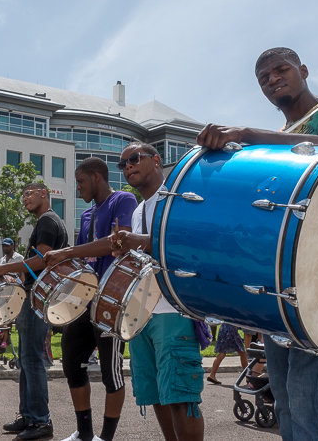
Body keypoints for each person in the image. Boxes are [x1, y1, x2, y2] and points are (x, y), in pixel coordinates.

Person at [193, 47, 318, 440]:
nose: (273, 79)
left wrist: (244, 134)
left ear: (303, 70)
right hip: (281, 291)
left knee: (312, 402)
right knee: (287, 401)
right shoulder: (272, 149)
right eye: (264, 78)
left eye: (281, 70)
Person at [109, 143, 206, 441]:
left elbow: (187, 244)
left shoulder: (178, 198)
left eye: (134, 159)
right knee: (156, 395)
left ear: (156, 160)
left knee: (180, 395)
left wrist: (137, 241)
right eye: (122, 164)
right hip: (142, 313)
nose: (127, 167)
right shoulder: (138, 210)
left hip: (172, 310)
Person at [41, 157, 135, 441]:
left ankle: (105, 438)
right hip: (85, 301)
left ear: (96, 177)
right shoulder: (86, 215)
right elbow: (84, 258)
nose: (78, 188)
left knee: (111, 374)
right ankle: (84, 433)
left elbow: (119, 242)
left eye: (81, 181)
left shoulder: (123, 200)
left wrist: (67, 252)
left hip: (113, 300)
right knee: (71, 362)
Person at [0, 181, 69, 440]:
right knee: (25, 359)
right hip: (34, 294)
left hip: (38, 296)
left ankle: (41, 422)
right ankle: (28, 416)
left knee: (32, 360)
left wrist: (2, 270)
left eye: (29, 194)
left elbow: (43, 261)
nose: (25, 199)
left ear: (44, 194)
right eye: (22, 196)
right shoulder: (47, 221)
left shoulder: (47, 221)